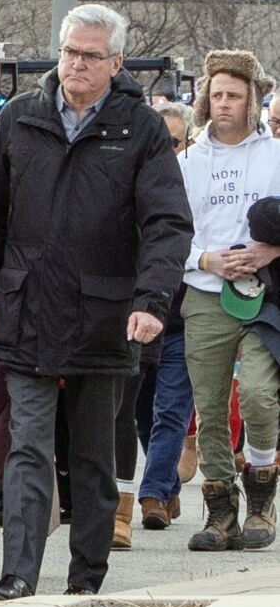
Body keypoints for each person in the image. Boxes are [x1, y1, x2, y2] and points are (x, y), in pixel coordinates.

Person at [0, 4, 192, 599]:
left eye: (91, 55)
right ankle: (18, 575)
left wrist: (151, 301)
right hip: (26, 309)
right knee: (28, 450)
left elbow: (168, 223)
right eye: (69, 52)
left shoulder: (139, 128)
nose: (76, 65)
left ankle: (86, 580)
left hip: (106, 317)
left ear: (116, 63)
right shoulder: (20, 117)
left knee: (92, 459)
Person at [175, 50, 280, 552]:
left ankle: (262, 493)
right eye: (216, 94)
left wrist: (271, 249)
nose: (223, 103)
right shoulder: (186, 162)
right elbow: (166, 235)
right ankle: (221, 512)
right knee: (211, 408)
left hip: (267, 294)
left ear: (252, 101)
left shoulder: (276, 155)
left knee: (259, 394)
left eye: (234, 95)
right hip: (205, 291)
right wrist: (205, 261)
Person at [134, 102, 196, 530]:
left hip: (187, 316)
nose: (166, 149)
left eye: (173, 141)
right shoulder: (134, 180)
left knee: (170, 410)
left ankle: (152, 493)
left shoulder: (199, 182)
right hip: (140, 315)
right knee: (141, 411)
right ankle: (167, 482)